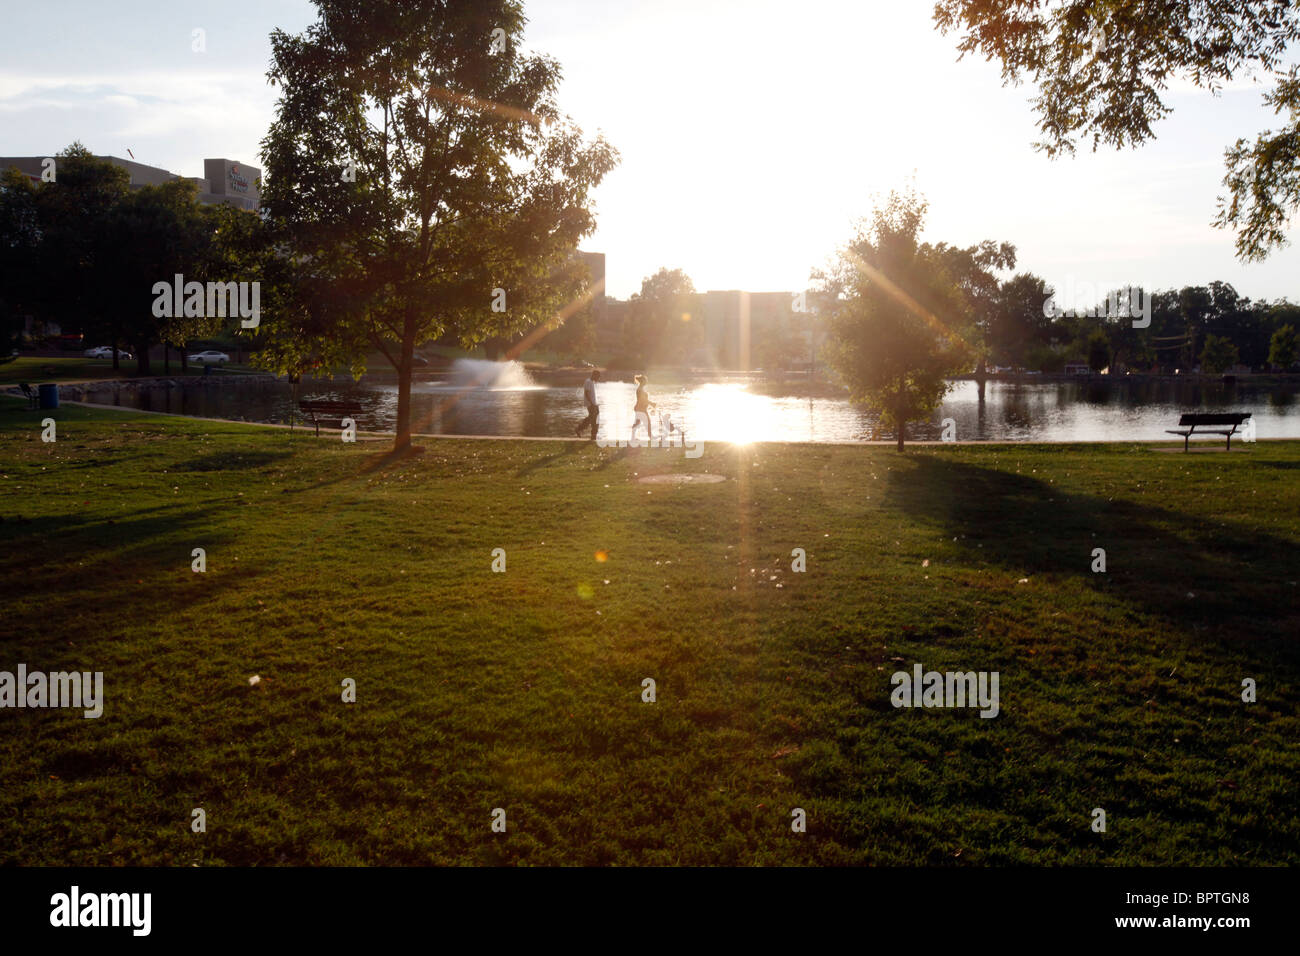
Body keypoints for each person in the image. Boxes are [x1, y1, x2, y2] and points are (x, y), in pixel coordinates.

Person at [574, 369, 601, 440]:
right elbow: (586, 393)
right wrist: (592, 404)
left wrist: (596, 403)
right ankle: (579, 429)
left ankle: (593, 435)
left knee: (595, 419)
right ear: (594, 375)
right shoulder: (588, 381)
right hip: (590, 404)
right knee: (592, 418)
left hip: (594, 404)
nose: (598, 378)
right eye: (598, 376)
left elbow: (591, 395)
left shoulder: (591, 382)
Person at [630, 373, 655, 444]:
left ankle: (633, 437)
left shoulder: (641, 389)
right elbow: (643, 400)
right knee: (647, 422)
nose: (647, 381)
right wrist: (651, 403)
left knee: (637, 423)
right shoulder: (640, 389)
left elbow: (643, 400)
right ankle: (650, 437)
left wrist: (650, 404)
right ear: (643, 381)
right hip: (640, 409)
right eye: (646, 380)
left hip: (641, 408)